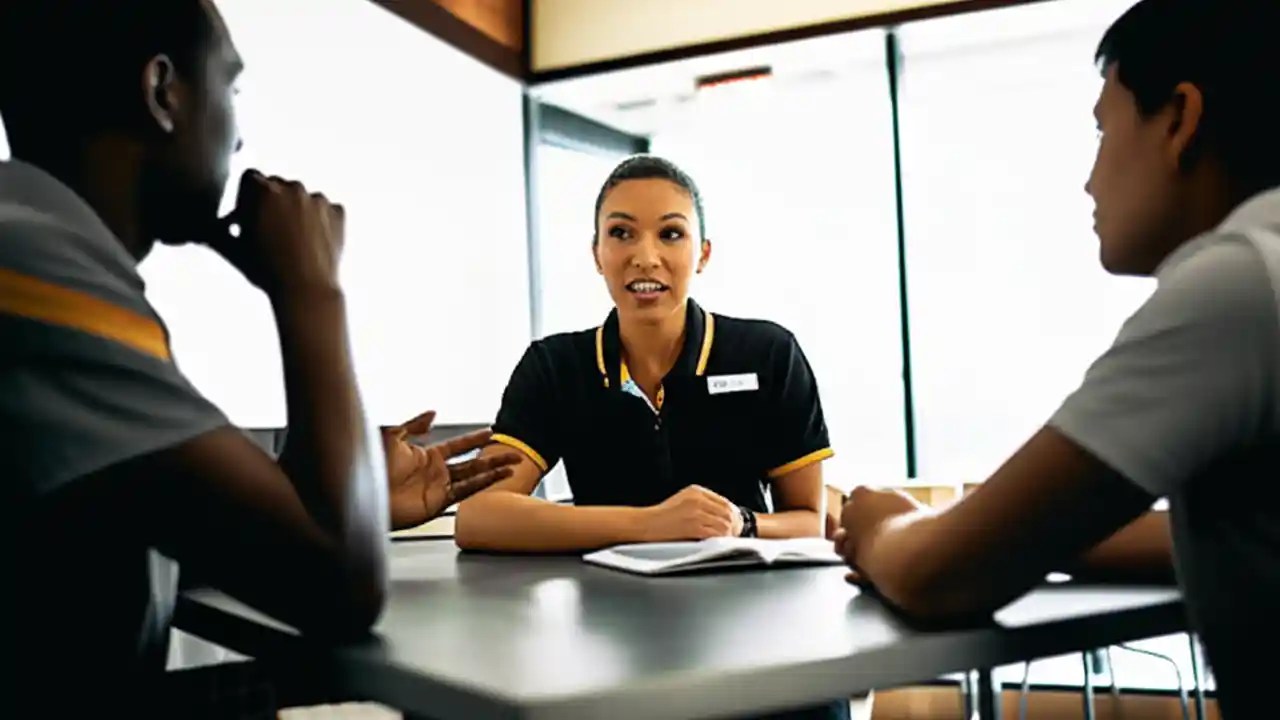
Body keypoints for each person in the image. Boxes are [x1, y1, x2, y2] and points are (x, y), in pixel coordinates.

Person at [0, 1, 516, 716]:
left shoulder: (38, 250)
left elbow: (226, 539)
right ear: (162, 92)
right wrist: (313, 292)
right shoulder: (29, 269)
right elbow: (340, 588)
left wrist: (343, 501)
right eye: (231, 89)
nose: (239, 139)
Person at [832, 1, 1279, 717]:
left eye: (1104, 132)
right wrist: (1024, 530)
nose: (1089, 179)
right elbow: (1197, 533)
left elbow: (942, 578)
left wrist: (885, 527)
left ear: (1180, 120)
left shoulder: (1239, 282)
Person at [457, 154, 846, 719]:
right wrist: (649, 524)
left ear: (702, 253)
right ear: (596, 253)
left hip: (764, 644)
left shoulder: (768, 354)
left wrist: (740, 523)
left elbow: (808, 522)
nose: (646, 256)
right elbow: (480, 517)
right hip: (612, 650)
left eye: (671, 233)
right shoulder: (554, 367)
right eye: (620, 233)